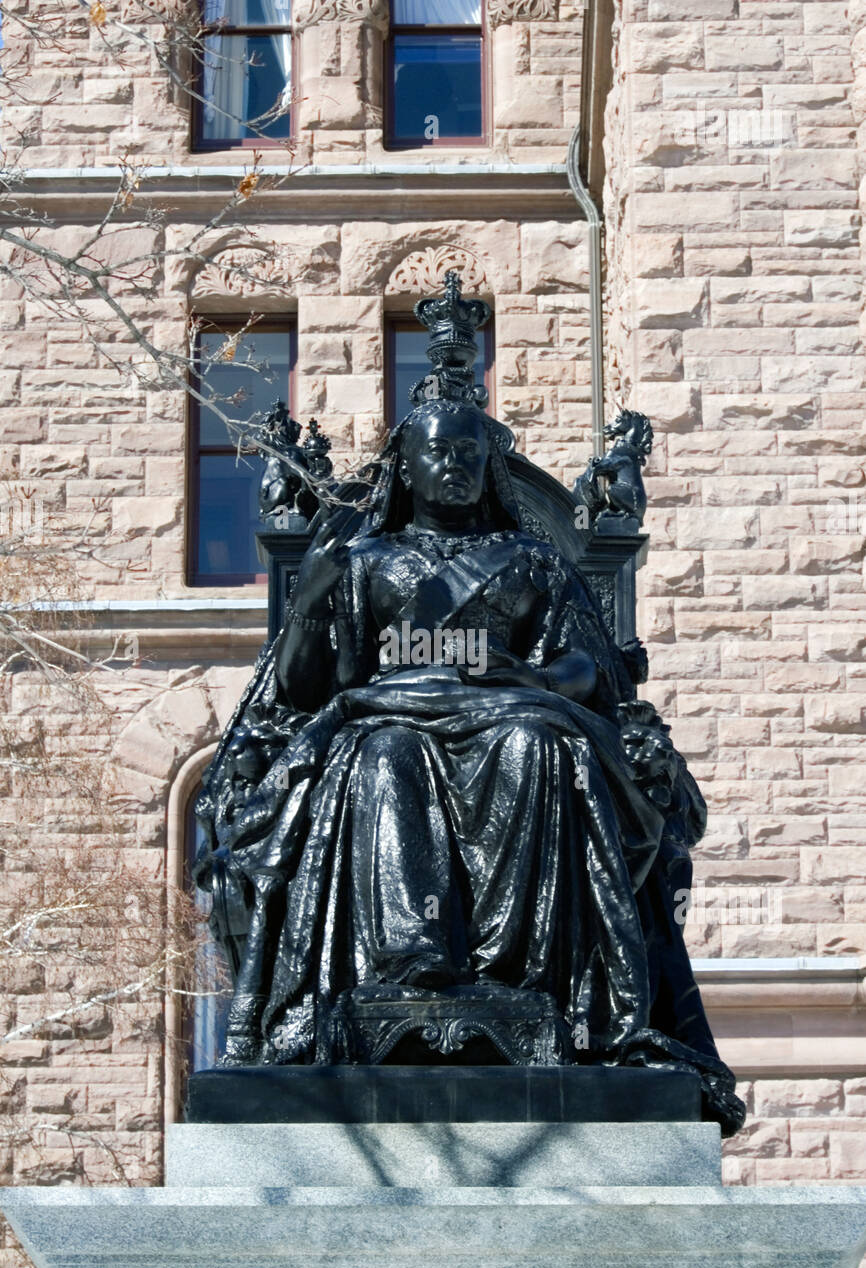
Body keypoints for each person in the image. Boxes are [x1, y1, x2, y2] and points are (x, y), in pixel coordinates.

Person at [194, 278, 744, 1134]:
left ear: (488, 465)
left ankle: (509, 976)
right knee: (381, 756)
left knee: (534, 746)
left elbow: (586, 670)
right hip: (385, 720)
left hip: (510, 718)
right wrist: (313, 606)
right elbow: (304, 691)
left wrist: (519, 681)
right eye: (437, 453)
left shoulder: (531, 559)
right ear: (405, 465)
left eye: (468, 454)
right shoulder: (364, 562)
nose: (453, 466)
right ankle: (409, 974)